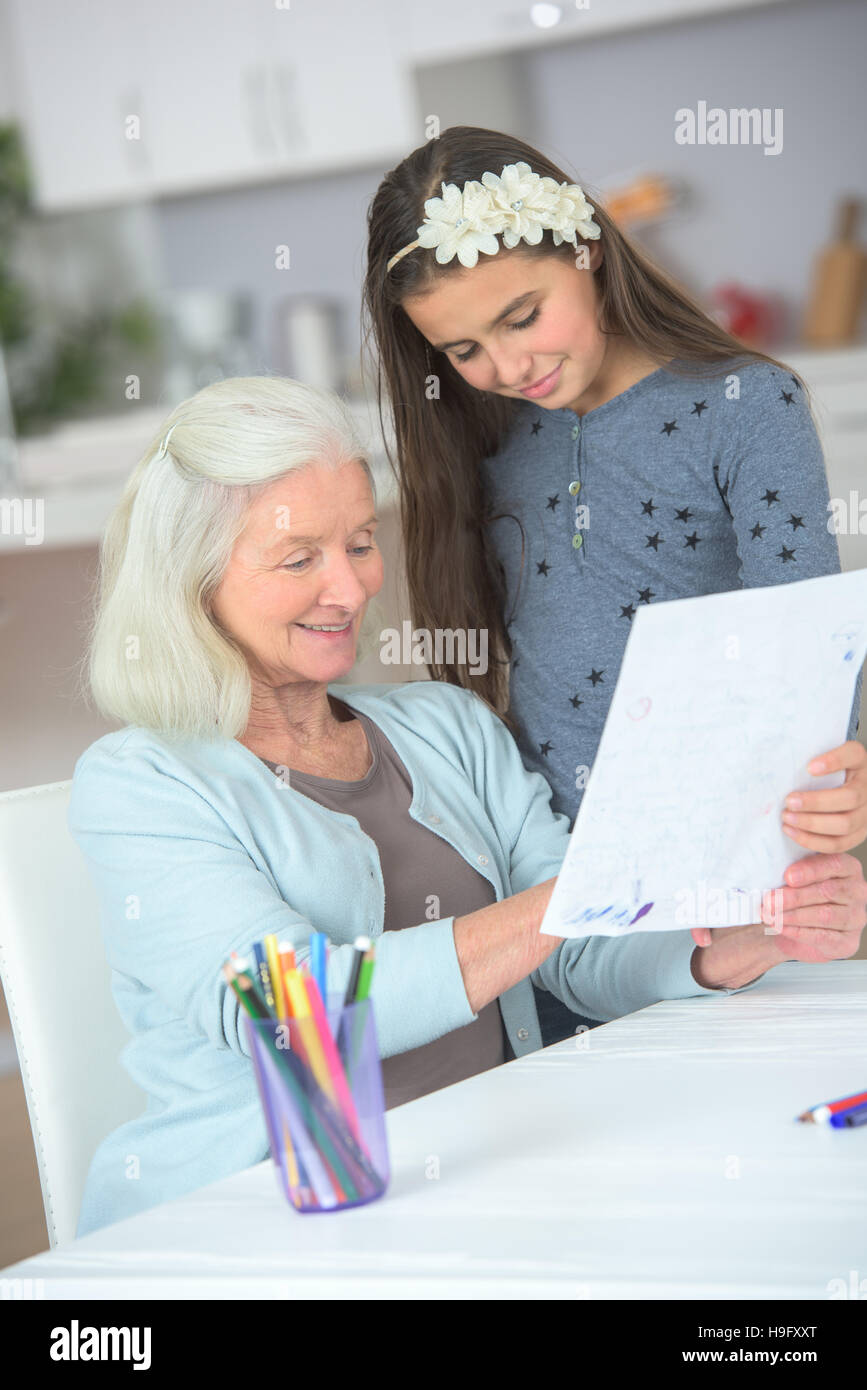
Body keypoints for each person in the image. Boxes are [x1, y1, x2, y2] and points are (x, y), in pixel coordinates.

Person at [69, 377, 867, 1234]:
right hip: (251, 1219)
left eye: (361, 543)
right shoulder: (140, 783)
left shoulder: (444, 725)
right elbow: (290, 1012)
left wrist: (736, 944)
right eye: (299, 558)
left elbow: (576, 961)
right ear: (190, 584)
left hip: (480, 1180)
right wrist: (579, 896)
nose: (349, 588)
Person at [361, 124, 867, 1045]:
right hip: (556, 906)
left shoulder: (747, 404)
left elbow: (811, 655)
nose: (508, 368)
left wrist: (847, 771)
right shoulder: (478, 448)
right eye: (464, 349)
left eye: (521, 316)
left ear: (586, 249)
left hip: (737, 881)